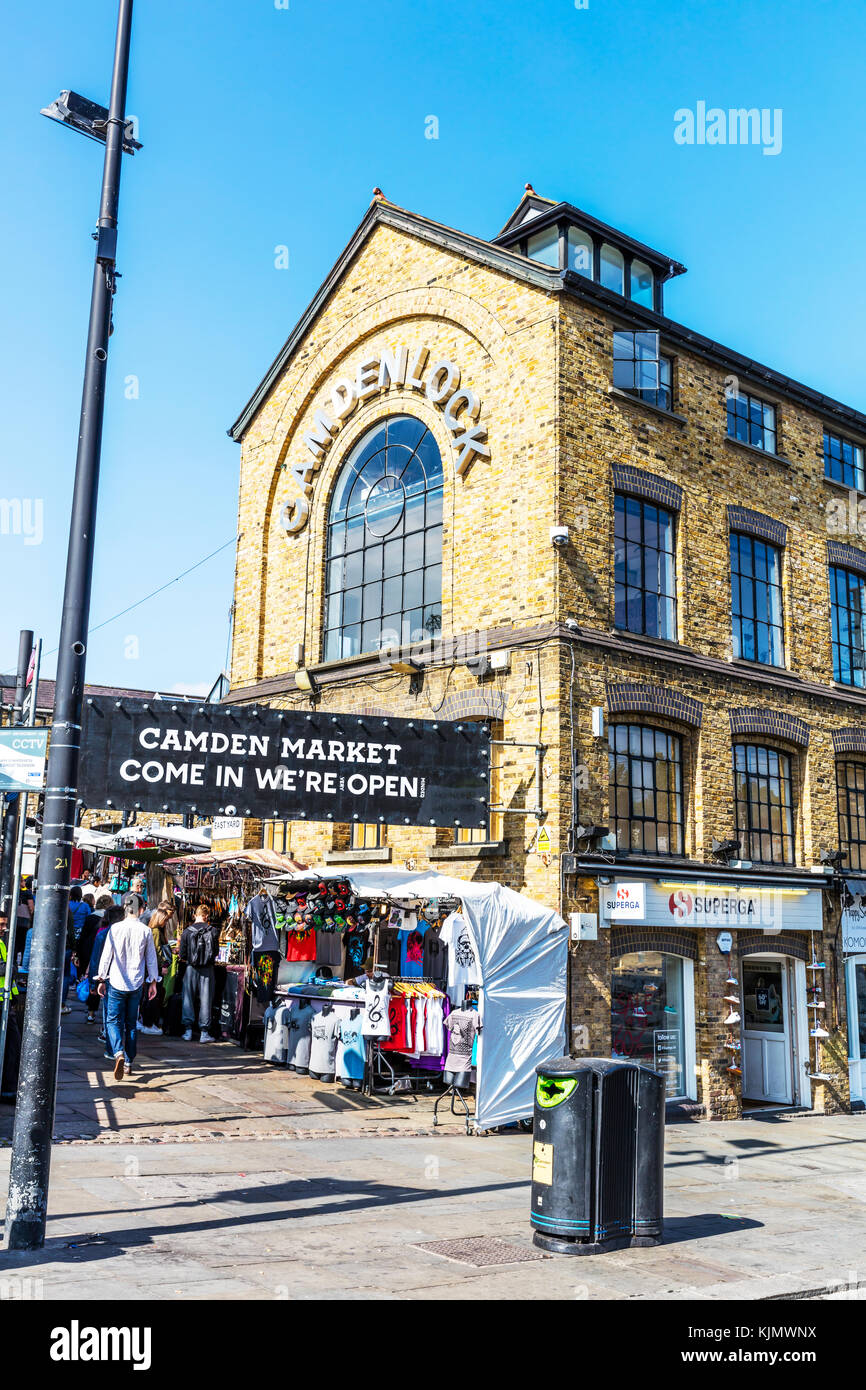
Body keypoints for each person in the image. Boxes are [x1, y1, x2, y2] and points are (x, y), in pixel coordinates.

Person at [96, 900, 159, 1081]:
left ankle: (117, 1052)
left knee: (113, 1021)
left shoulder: (115, 929)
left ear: (125, 908)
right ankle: (129, 1062)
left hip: (116, 981)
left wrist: (101, 978)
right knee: (131, 1023)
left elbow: (107, 955)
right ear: (140, 910)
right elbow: (151, 959)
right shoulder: (145, 931)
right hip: (136, 983)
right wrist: (153, 982)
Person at [179, 904, 220, 1043]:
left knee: (188, 998)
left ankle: (188, 1031)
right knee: (206, 999)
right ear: (207, 916)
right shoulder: (213, 931)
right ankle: (204, 1032)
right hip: (207, 969)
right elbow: (215, 952)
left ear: (195, 914)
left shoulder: (186, 932)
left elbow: (182, 954)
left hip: (191, 967)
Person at [138, 899, 176, 1035]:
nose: (167, 922)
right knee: (152, 995)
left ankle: (147, 1022)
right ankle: (148, 1023)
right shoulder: (154, 931)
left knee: (152, 995)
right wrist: (163, 964)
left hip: (153, 967)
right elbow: (156, 951)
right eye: (166, 920)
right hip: (154, 968)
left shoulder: (156, 931)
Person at [89, 904, 122, 1035]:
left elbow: (95, 960)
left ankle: (108, 1032)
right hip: (122, 976)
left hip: (107, 976)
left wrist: (93, 982)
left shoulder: (102, 934)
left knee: (109, 1008)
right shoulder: (123, 933)